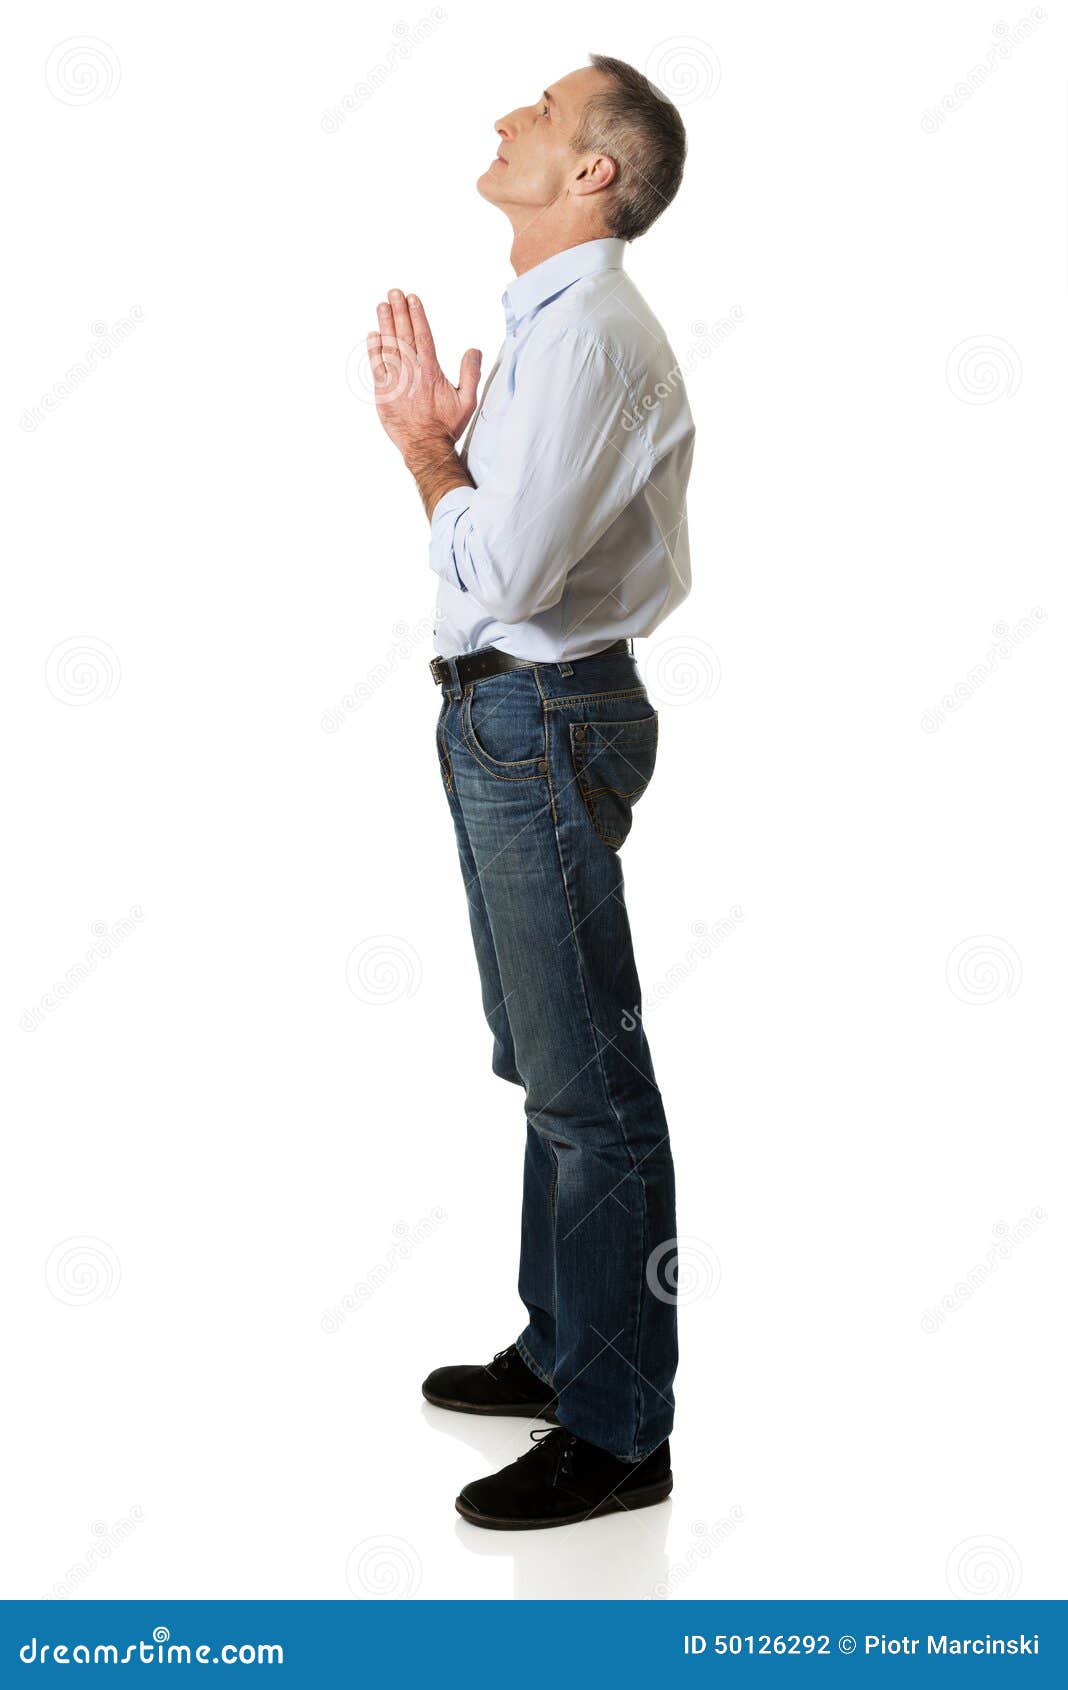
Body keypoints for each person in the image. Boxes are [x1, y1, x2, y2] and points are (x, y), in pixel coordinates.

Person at [367, 54, 694, 1530]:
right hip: (509, 718)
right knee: (547, 1064)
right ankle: (566, 1348)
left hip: (542, 718)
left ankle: (618, 1432)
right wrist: (451, 453)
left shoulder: (589, 341)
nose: (509, 118)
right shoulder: (551, 329)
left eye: (545, 116)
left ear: (593, 175)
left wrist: (425, 452)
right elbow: (502, 554)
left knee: (591, 1091)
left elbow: (500, 573)